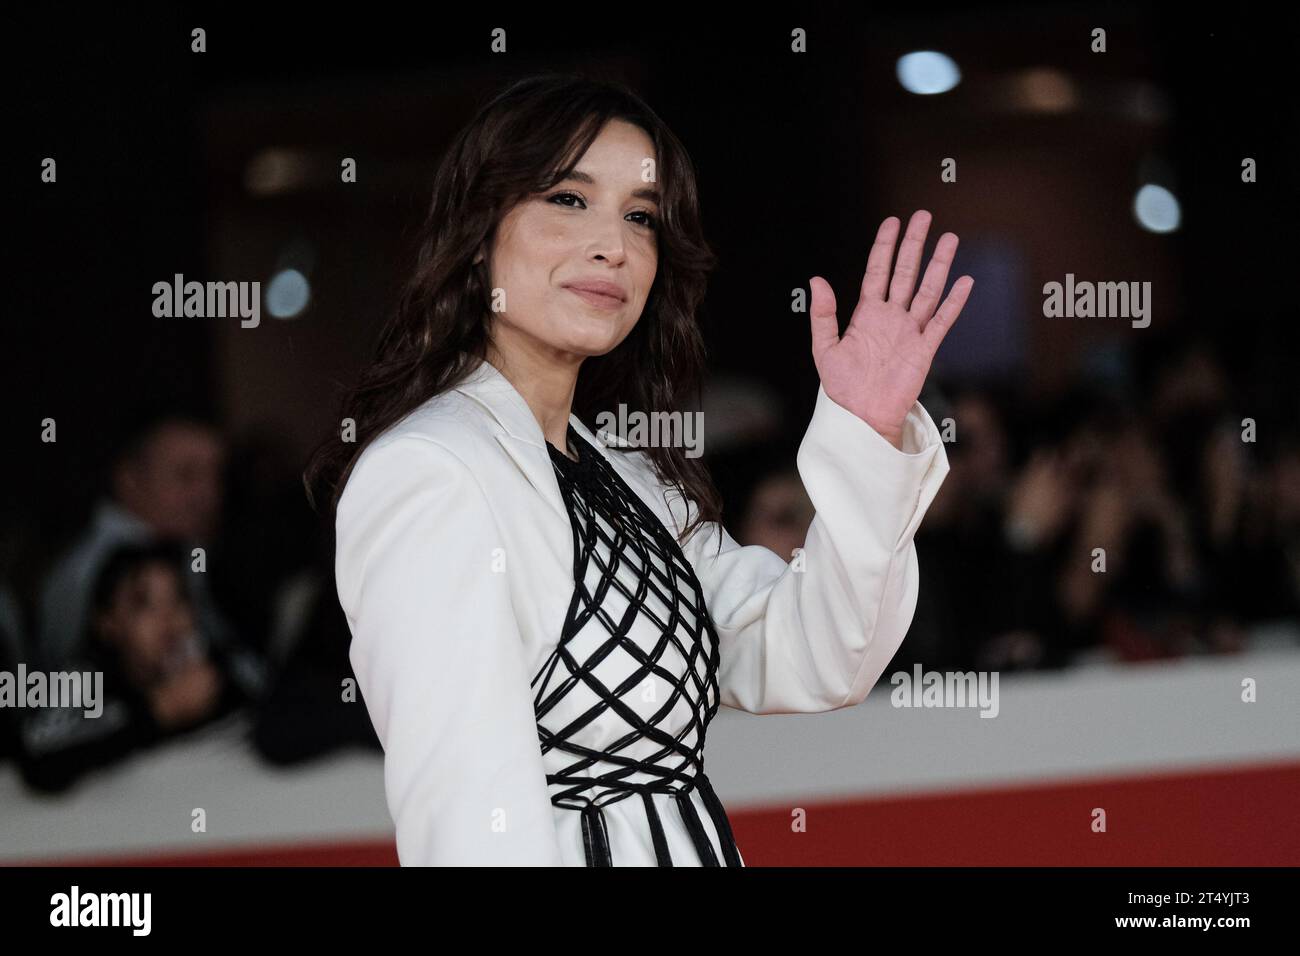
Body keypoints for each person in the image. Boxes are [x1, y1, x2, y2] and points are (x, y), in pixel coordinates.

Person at [303, 73, 972, 866]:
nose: (612, 246)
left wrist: (866, 431)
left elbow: (816, 656)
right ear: (479, 231)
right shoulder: (429, 471)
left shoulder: (632, 481)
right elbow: (466, 818)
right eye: (568, 199)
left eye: (641, 217)